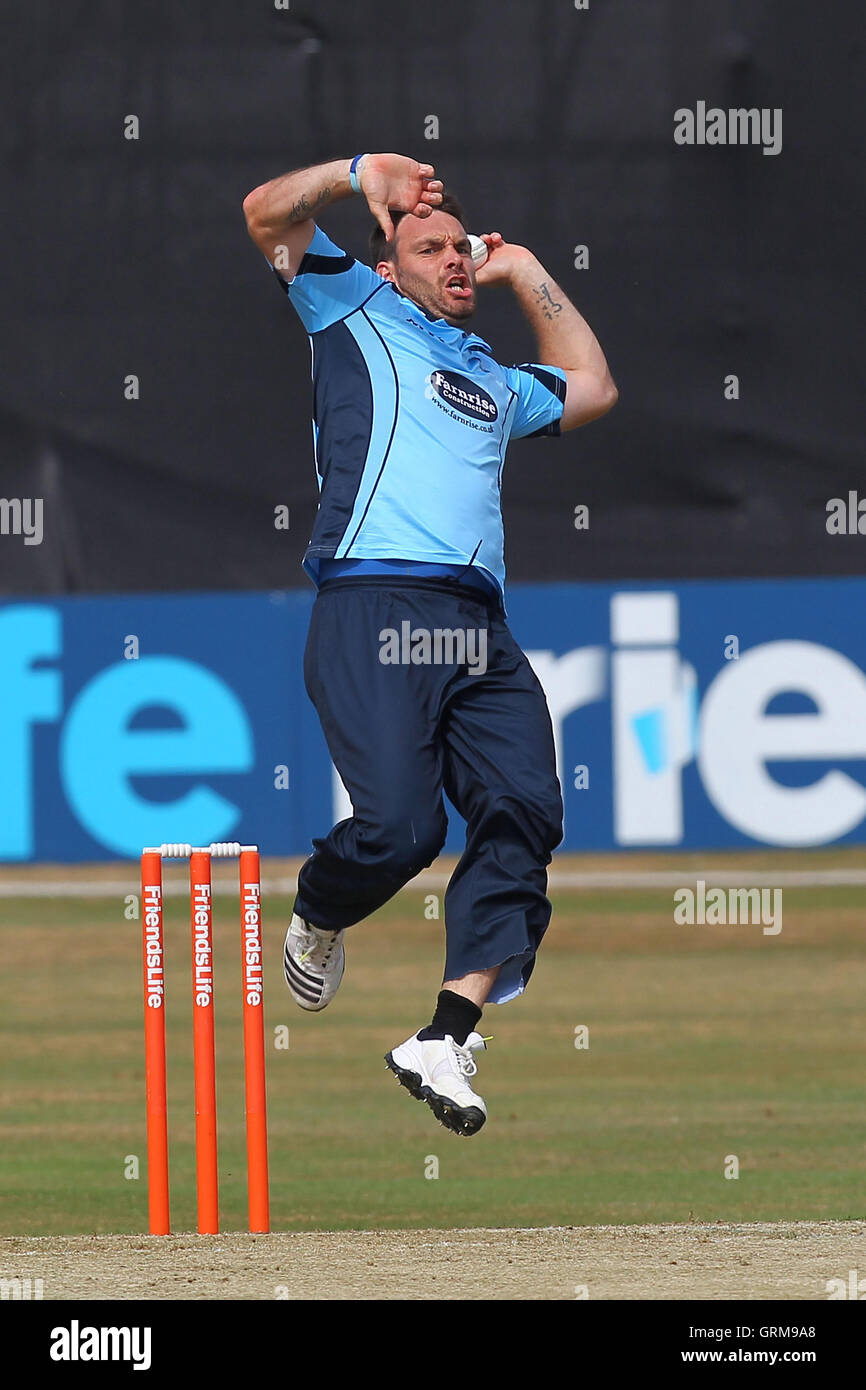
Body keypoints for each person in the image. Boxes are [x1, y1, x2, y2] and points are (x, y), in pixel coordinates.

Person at [243, 152, 617, 1136]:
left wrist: (523, 267)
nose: (454, 261)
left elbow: (589, 386)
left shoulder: (494, 379)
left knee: (525, 811)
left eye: (461, 248)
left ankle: (445, 1032)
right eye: (431, 247)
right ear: (387, 261)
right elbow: (264, 214)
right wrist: (356, 170)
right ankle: (323, 907)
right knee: (403, 832)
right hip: (375, 605)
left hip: (476, 625)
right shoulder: (352, 311)